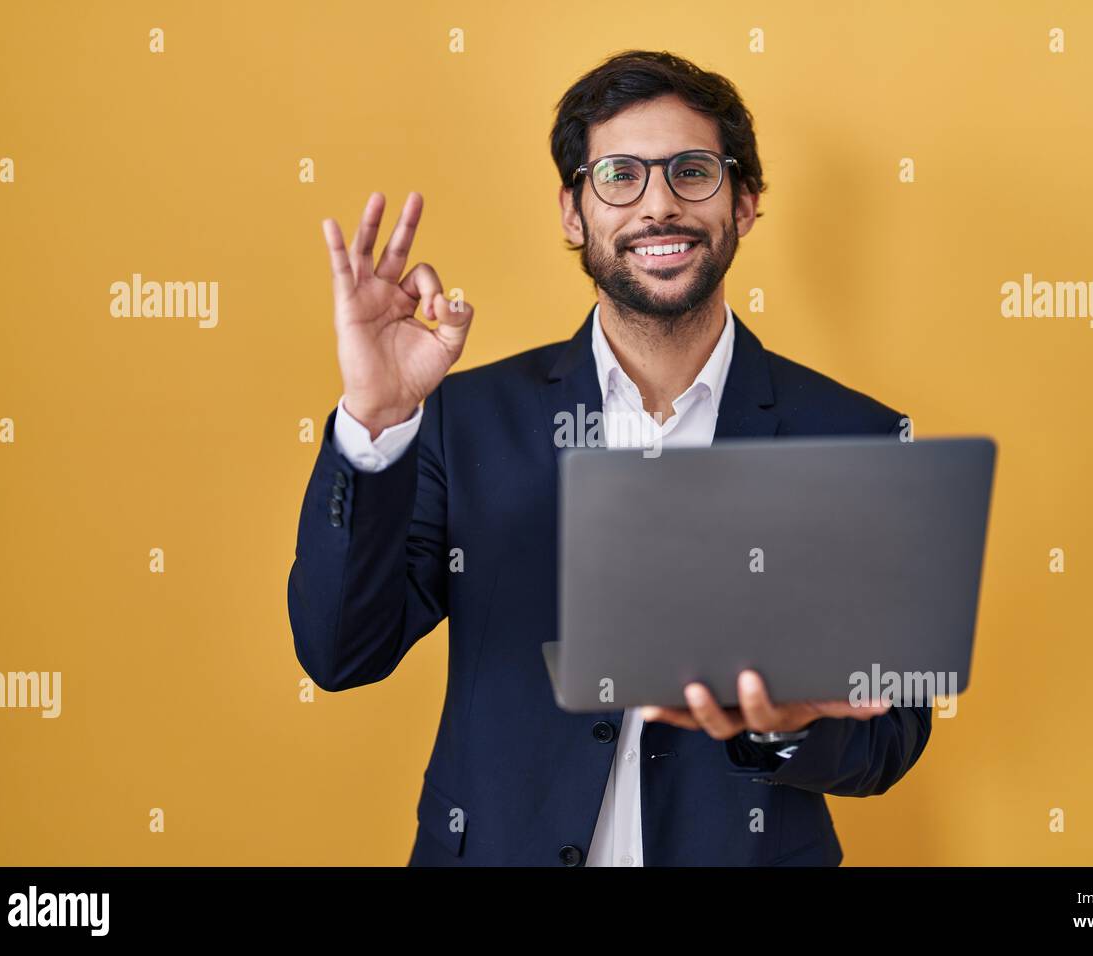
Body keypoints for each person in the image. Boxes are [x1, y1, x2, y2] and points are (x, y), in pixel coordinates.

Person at [288, 49, 931, 866]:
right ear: (572, 211)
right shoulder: (463, 419)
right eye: (620, 175)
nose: (658, 205)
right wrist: (373, 423)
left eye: (693, 172)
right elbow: (341, 652)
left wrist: (785, 727)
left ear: (746, 204)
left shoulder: (855, 439)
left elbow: (893, 736)